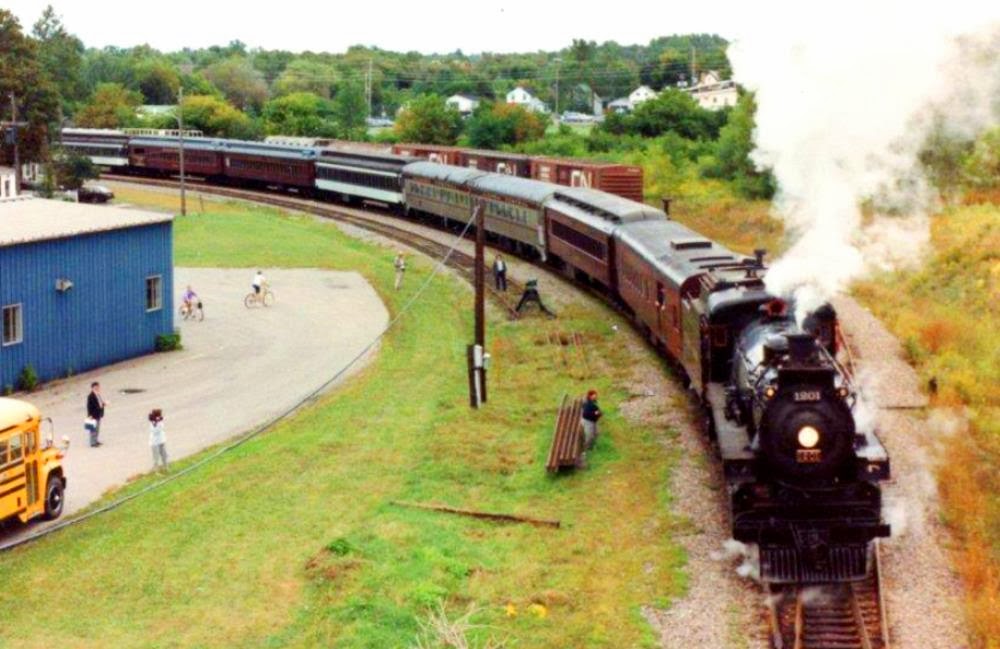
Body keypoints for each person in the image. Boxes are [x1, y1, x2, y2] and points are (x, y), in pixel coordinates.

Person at [86, 382, 107, 447]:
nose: (97, 388)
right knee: (93, 429)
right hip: (93, 414)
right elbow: (89, 406)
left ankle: (96, 440)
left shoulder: (98, 394)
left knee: (97, 429)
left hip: (98, 414)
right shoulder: (90, 396)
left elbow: (99, 403)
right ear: (92, 388)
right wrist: (90, 415)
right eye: (96, 387)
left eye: (98, 387)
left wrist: (103, 404)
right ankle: (92, 443)